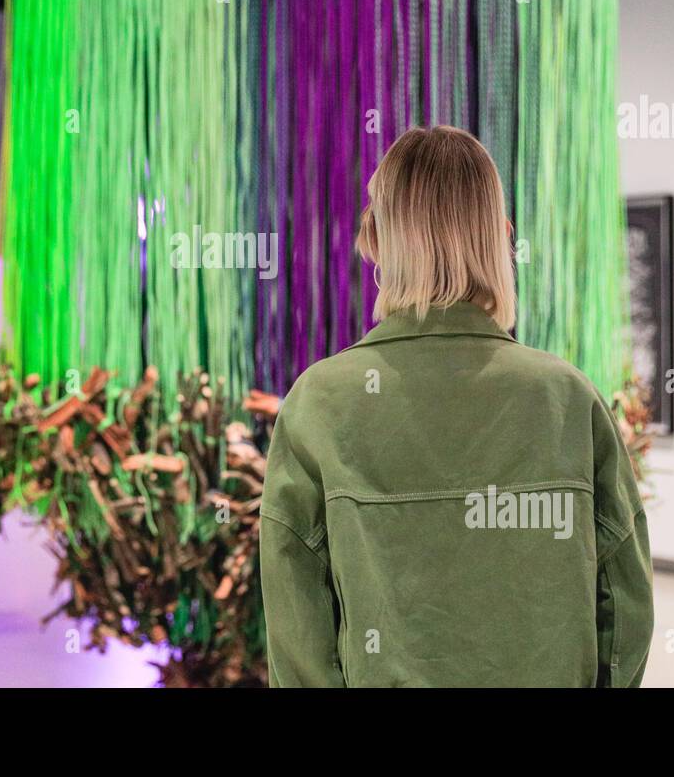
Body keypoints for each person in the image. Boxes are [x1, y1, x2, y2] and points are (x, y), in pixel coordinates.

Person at [259, 126, 653, 687]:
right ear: (501, 238)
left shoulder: (320, 402)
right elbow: (626, 609)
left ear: (377, 240)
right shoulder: (565, 398)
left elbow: (300, 636)